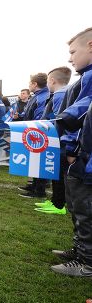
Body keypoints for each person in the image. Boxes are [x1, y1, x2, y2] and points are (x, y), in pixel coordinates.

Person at [50, 27, 92, 277]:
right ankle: (80, 250)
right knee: (77, 206)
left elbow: (84, 116)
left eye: (73, 51)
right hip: (80, 155)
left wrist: (73, 148)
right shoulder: (85, 77)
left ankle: (87, 261)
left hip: (84, 157)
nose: (70, 58)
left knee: (85, 208)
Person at [34, 66, 71, 215]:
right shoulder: (66, 92)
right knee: (58, 172)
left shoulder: (60, 94)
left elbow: (57, 120)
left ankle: (58, 204)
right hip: (63, 139)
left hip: (60, 140)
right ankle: (56, 200)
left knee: (59, 172)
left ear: (52, 80)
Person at [18, 73, 50, 198]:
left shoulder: (42, 97)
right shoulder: (37, 96)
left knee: (40, 161)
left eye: (30, 83)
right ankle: (34, 186)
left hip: (37, 132)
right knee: (35, 161)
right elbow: (29, 113)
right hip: (33, 131)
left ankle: (39, 191)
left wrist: (32, 128)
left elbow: (40, 117)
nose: (28, 85)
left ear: (35, 84)